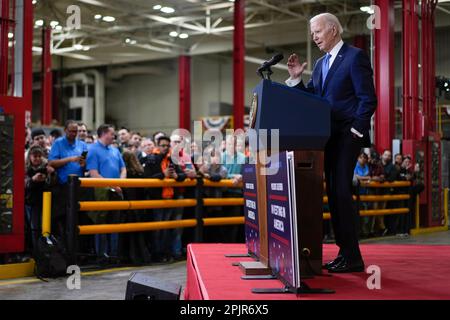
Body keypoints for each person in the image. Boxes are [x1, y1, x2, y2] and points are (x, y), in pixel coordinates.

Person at [286, 13, 377, 273]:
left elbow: (367, 99)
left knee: (340, 193)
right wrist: (295, 80)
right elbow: (314, 101)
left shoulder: (355, 56)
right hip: (326, 138)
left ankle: (353, 257)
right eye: (312, 33)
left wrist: (356, 132)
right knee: (335, 196)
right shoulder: (320, 63)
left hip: (347, 137)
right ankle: (346, 253)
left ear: (333, 30)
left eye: (317, 31)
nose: (313, 37)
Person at [86, 124, 127, 264]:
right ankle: (102, 255)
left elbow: (123, 168)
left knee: (115, 223)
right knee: (101, 224)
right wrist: (113, 186)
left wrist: (121, 183)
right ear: (103, 134)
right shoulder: (93, 150)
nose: (113, 136)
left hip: (117, 190)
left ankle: (114, 254)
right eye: (111, 134)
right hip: (101, 192)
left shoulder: (115, 150)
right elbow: (94, 173)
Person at [143, 136, 186, 262]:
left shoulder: (172, 159)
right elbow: (146, 178)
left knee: (167, 229)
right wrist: (163, 175)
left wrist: (176, 176)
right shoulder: (151, 159)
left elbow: (183, 175)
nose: (165, 148)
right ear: (157, 145)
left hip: (170, 198)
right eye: (163, 145)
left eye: (167, 145)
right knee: (157, 229)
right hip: (157, 199)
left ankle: (165, 253)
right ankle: (157, 254)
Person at [25, 145, 57, 255]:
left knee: (46, 228)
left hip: (45, 203)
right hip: (31, 203)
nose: (37, 159)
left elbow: (52, 184)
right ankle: (36, 252)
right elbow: (22, 185)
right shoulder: (26, 169)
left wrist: (52, 174)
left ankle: (46, 251)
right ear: (30, 157)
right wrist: (32, 180)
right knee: (34, 229)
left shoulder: (46, 168)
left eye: (39, 156)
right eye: (35, 156)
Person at [353, 152, 370, 238]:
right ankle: (359, 232)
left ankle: (364, 231)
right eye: (361, 157)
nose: (363, 159)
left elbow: (367, 176)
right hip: (356, 192)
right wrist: (366, 178)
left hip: (365, 192)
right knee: (358, 213)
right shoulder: (355, 165)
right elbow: (356, 177)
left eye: (364, 158)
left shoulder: (366, 166)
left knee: (365, 214)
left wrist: (362, 178)